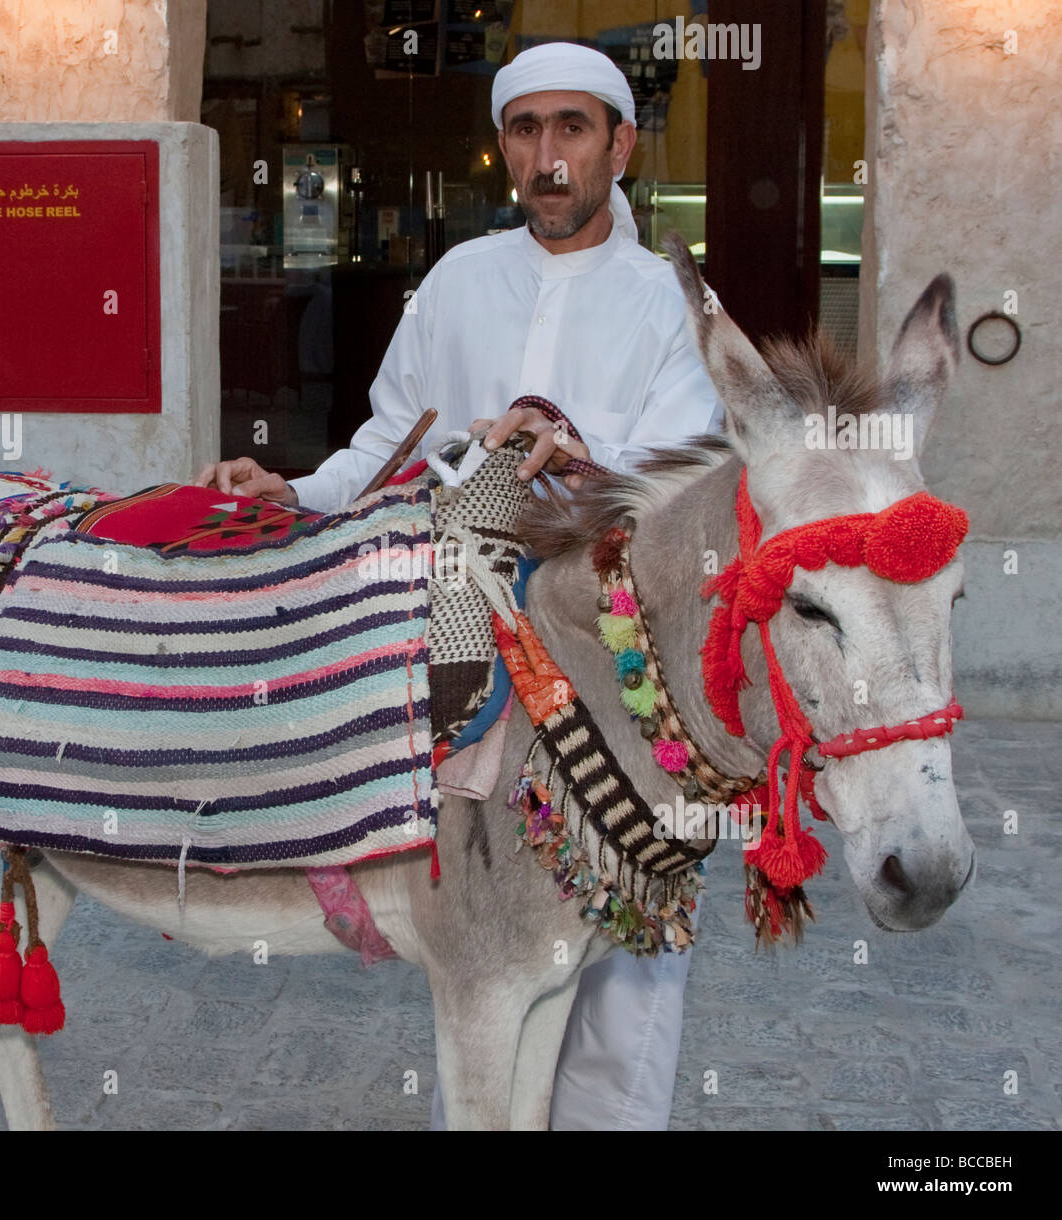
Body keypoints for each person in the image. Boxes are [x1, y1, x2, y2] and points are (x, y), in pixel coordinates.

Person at [196, 41, 724, 1130]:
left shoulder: (672, 302)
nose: (546, 155)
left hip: (618, 670)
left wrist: (573, 453)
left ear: (619, 145)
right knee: (490, 940)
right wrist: (293, 491)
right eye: (525, 130)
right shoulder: (457, 281)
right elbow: (393, 437)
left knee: (622, 957)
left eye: (571, 128)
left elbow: (689, 478)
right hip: (473, 657)